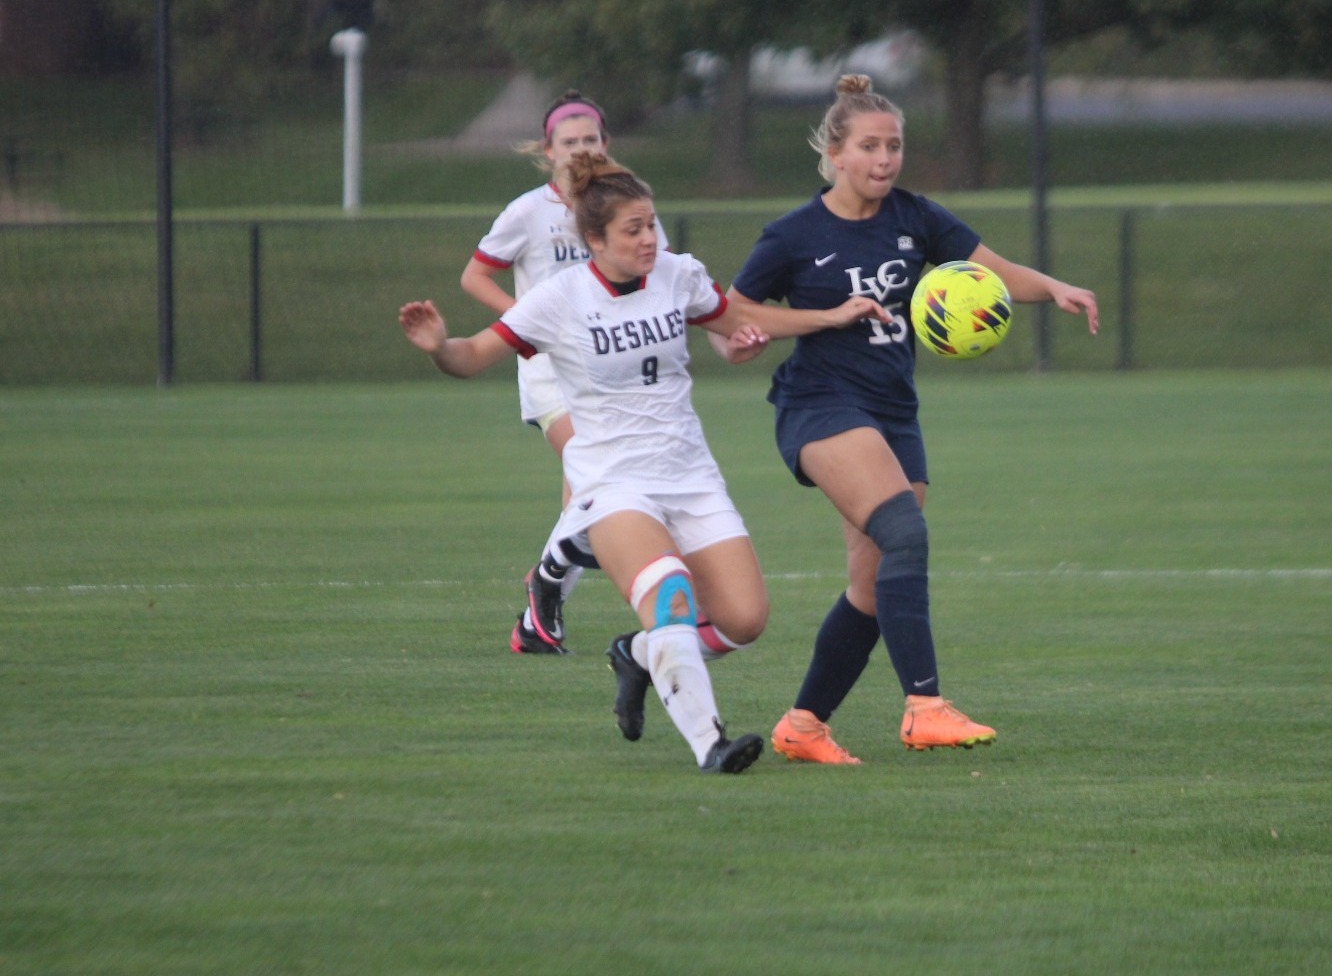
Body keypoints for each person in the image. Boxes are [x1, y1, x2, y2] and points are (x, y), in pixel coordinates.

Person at [402, 151, 887, 773]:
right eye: (633, 230)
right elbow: (472, 357)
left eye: (652, 224)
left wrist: (803, 325)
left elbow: (739, 325)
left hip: (689, 474)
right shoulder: (560, 298)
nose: (649, 239)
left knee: (743, 621)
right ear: (594, 240)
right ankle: (710, 743)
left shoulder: (679, 275)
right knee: (671, 594)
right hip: (612, 481)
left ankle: (636, 655)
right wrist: (440, 346)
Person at [726, 74, 1100, 765]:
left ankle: (804, 726)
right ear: (835, 154)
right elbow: (730, 320)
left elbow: (991, 271)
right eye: (869, 146)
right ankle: (925, 706)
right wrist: (751, 339)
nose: (885, 158)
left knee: (872, 587)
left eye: (894, 145)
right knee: (906, 532)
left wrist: (1053, 288)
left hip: (894, 411)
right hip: (820, 407)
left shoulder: (915, 217)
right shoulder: (794, 235)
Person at [458, 90, 669, 655]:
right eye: (568, 142)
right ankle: (546, 588)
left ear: (607, 145)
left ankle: (537, 618)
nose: (581, 149)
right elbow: (474, 276)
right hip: (551, 372)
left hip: (615, 372)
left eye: (590, 139)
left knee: (586, 493)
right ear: (547, 151)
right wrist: (527, 321)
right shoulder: (529, 211)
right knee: (599, 475)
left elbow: (660, 279)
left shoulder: (628, 208)